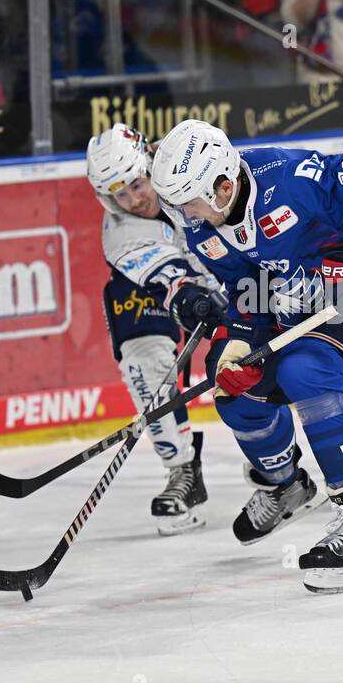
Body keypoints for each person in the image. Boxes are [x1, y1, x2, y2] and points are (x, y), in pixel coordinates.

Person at [150, 120, 343, 593]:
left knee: (307, 370)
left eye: (188, 202)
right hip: (303, 292)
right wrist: (238, 344)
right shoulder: (204, 229)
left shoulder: (295, 178)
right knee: (233, 390)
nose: (185, 215)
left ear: (222, 185)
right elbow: (247, 291)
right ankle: (285, 485)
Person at [86, 123, 223, 535]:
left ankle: (277, 471)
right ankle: (182, 471)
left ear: (148, 161)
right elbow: (171, 280)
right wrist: (194, 298)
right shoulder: (122, 235)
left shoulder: (187, 160)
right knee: (143, 363)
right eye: (120, 194)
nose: (134, 199)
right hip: (154, 284)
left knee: (247, 365)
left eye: (137, 184)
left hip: (223, 266)